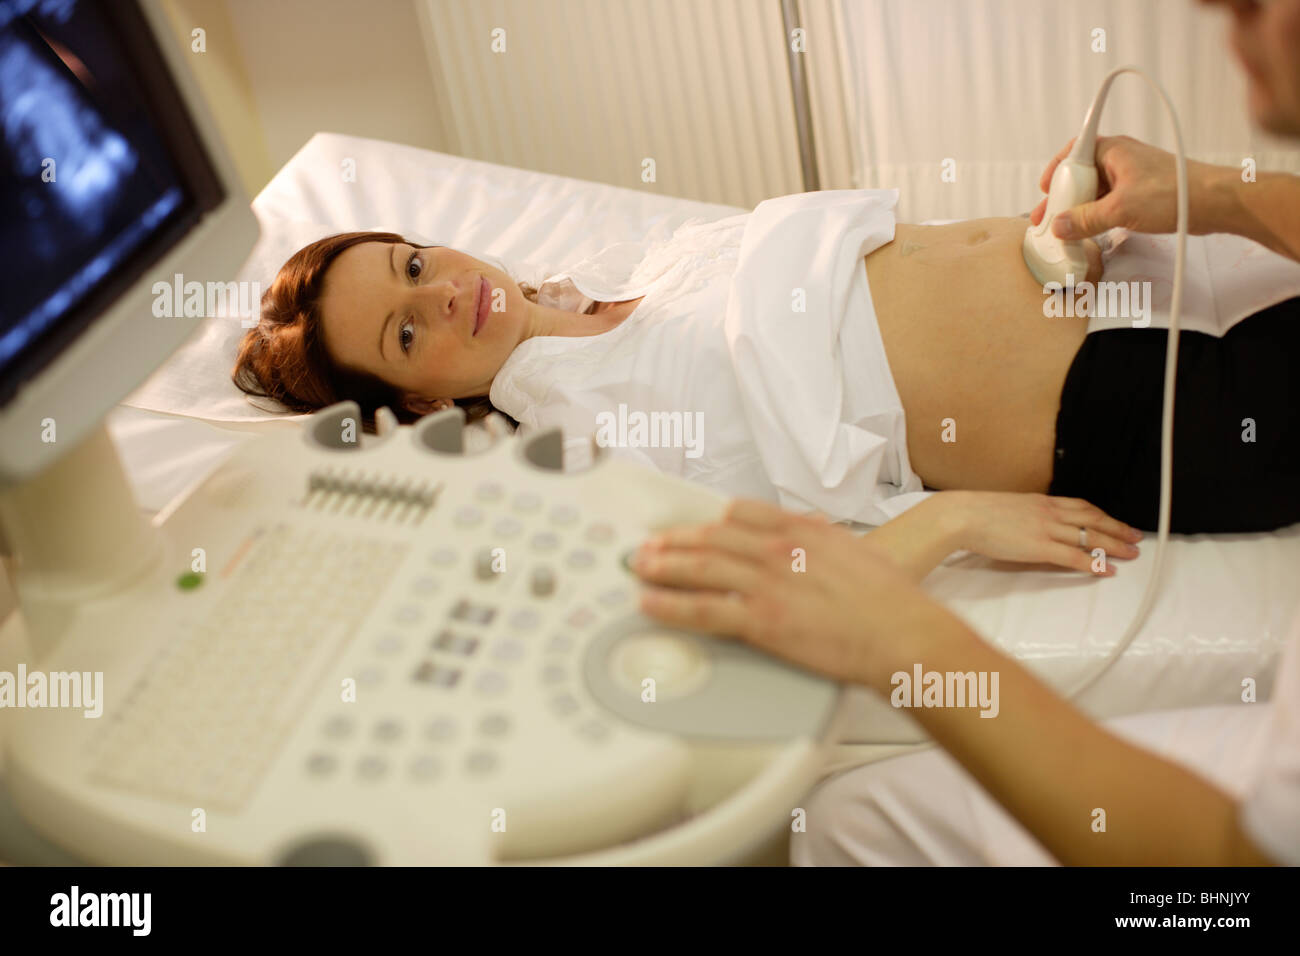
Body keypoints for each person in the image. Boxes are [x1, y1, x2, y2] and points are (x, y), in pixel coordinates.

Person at [631, 0, 1300, 866]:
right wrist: (1212, 195)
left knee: (848, 828)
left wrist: (907, 633)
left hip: (1157, 397)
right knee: (850, 820)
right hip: (1141, 357)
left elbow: (1226, 886)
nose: (1223, 23)